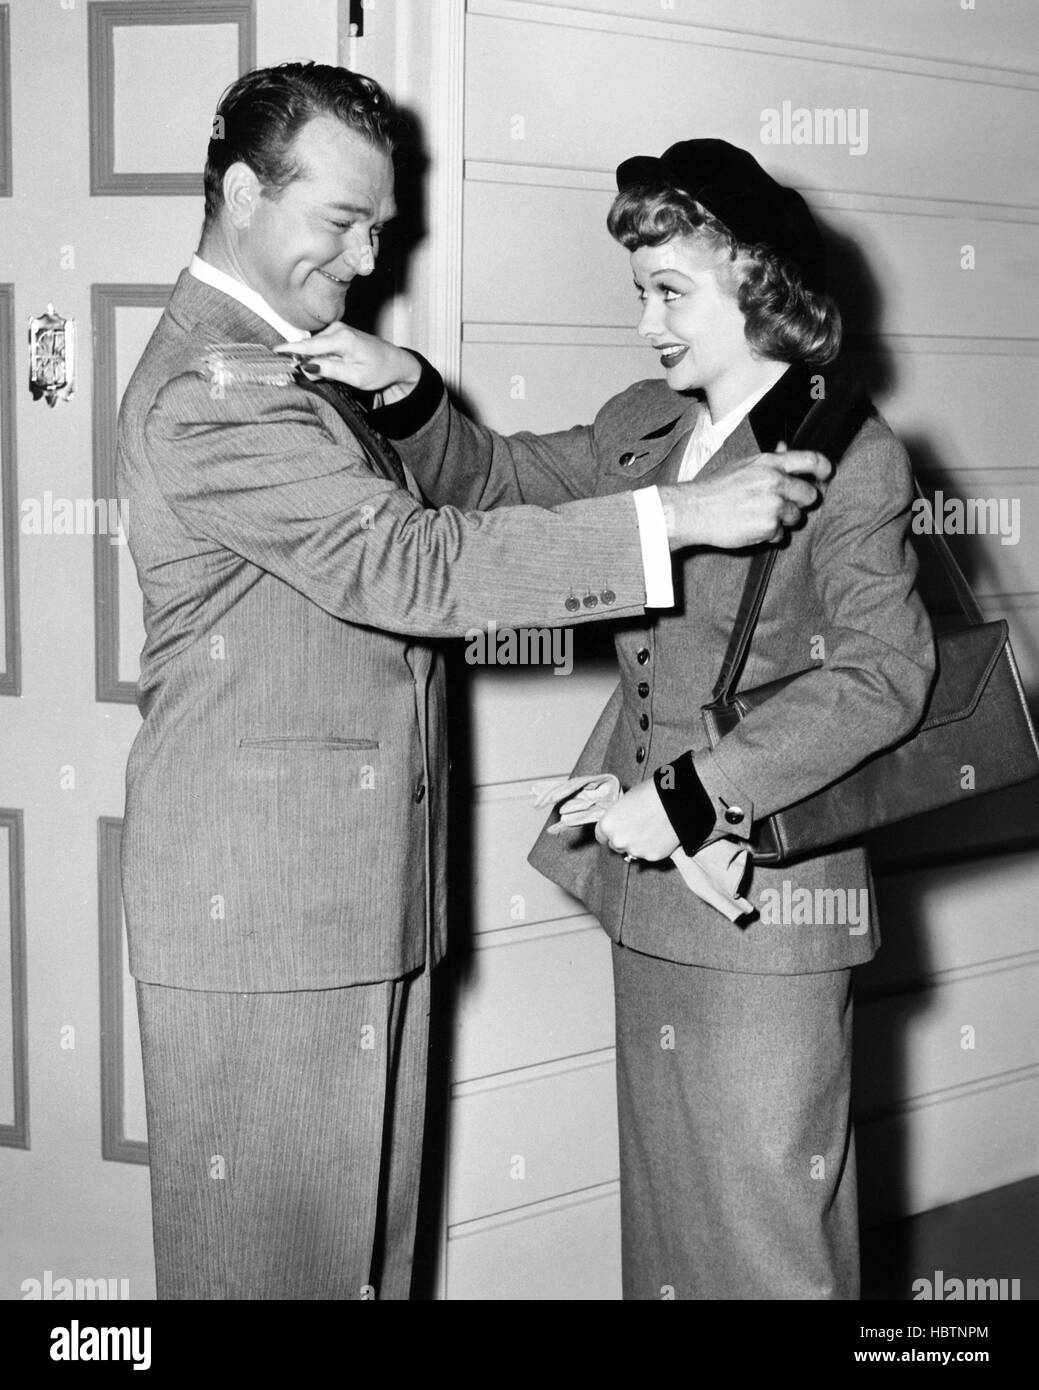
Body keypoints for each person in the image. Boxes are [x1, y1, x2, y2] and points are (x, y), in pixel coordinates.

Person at [118, 66, 829, 1303]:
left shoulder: (289, 369)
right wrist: (676, 520)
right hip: (265, 909)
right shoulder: (211, 388)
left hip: (348, 901)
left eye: (380, 224)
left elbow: (487, 479)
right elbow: (414, 557)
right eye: (341, 221)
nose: (366, 253)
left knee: (360, 1270)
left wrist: (406, 394)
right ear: (240, 195)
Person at [294, 138, 936, 1299]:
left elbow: (884, 677)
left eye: (669, 291)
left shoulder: (853, 457)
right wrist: (407, 387)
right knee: (675, 1229)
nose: (647, 322)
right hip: (652, 897)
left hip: (767, 906)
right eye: (640, 291)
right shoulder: (645, 422)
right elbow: (501, 478)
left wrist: (686, 794)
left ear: (758, 280)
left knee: (763, 1231)